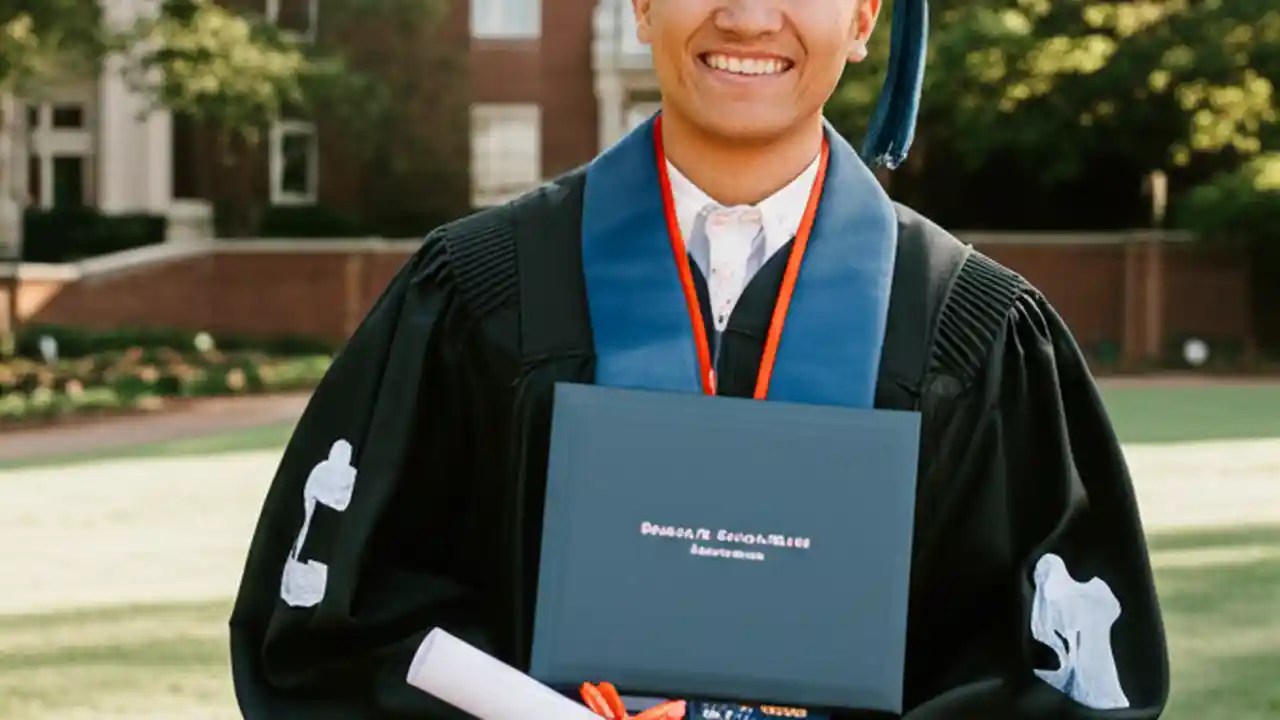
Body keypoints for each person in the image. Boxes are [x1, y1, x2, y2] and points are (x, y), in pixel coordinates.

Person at [229, 0, 1170, 717]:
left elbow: (1054, 680)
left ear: (864, 19)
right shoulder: (480, 290)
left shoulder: (971, 326)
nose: (749, 17)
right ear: (641, 6)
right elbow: (331, 632)